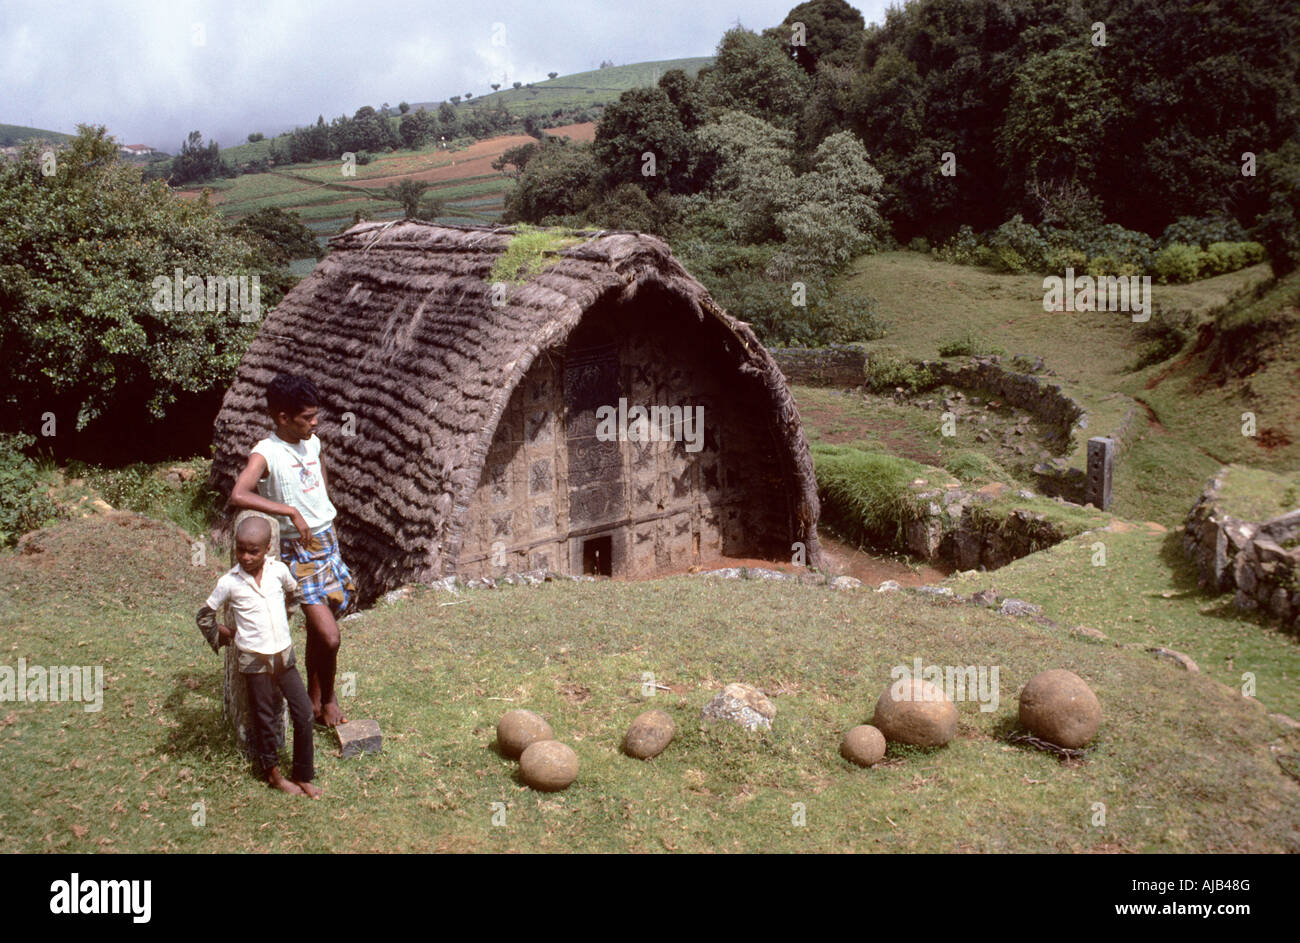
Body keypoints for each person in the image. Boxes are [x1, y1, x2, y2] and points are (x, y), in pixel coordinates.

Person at [228, 373, 356, 727]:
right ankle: (329, 700)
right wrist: (290, 511)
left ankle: (315, 702)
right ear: (282, 418)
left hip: (326, 541)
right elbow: (239, 493)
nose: (315, 423)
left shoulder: (311, 442)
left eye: (316, 415)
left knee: (320, 631)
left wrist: (322, 509)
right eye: (307, 417)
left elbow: (320, 472)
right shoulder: (267, 451)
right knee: (330, 638)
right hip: (298, 553)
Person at [196, 516, 321, 798]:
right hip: (254, 660)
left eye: (254, 551)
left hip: (283, 656)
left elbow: (294, 593)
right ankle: (273, 774)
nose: (246, 556)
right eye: (241, 549)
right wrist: (226, 635)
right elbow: (204, 616)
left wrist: (284, 619)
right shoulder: (229, 582)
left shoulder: (279, 571)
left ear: (267, 549)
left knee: (303, 713)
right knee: (264, 718)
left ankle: (303, 774)